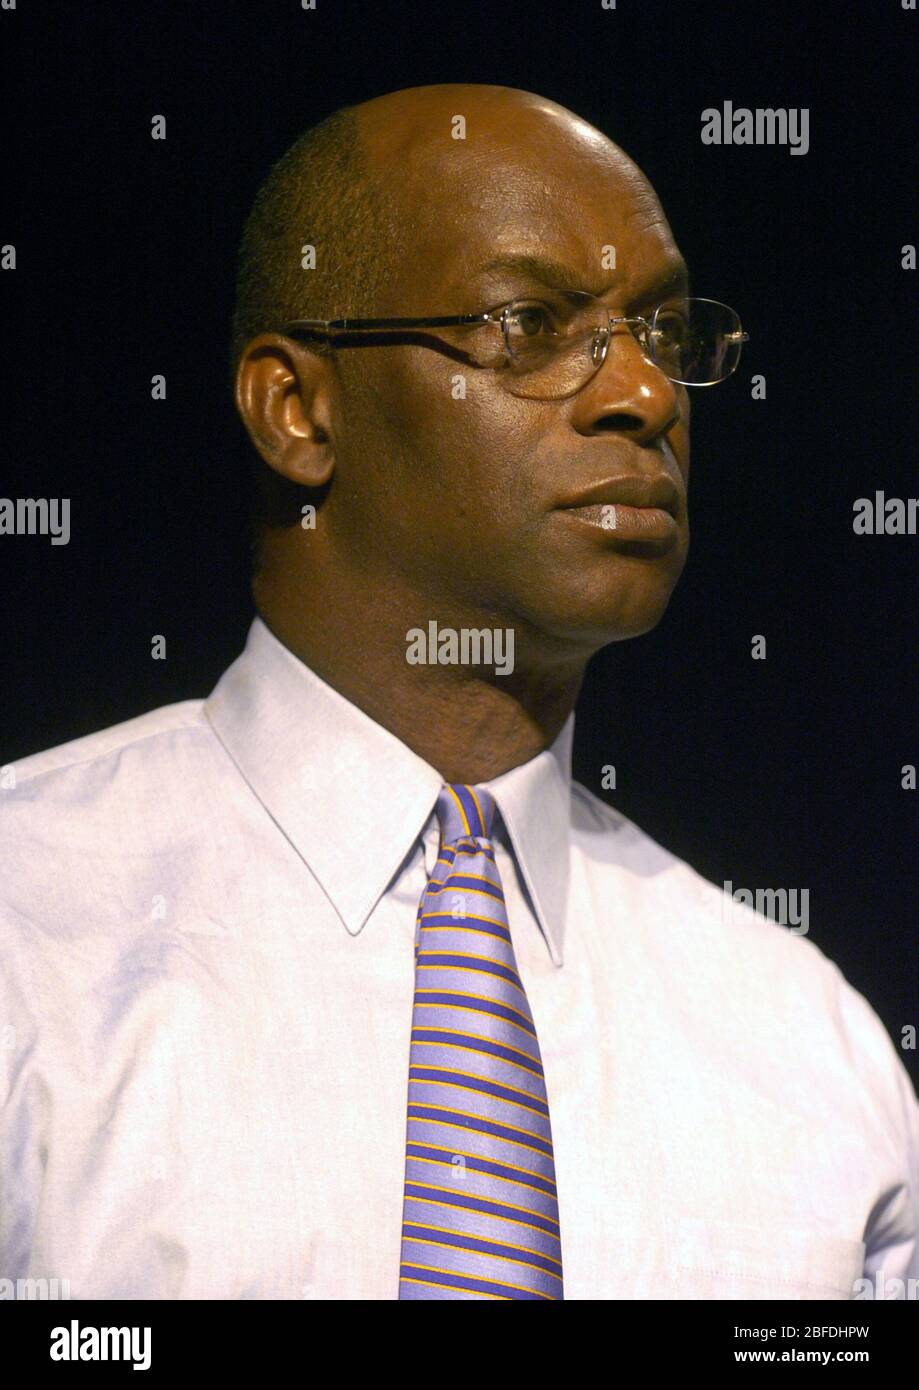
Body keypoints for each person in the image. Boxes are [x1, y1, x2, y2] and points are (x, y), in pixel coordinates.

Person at [2, 84, 915, 1301]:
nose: (644, 394)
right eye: (531, 323)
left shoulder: (811, 1048)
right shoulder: (30, 925)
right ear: (298, 408)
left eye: (663, 332)